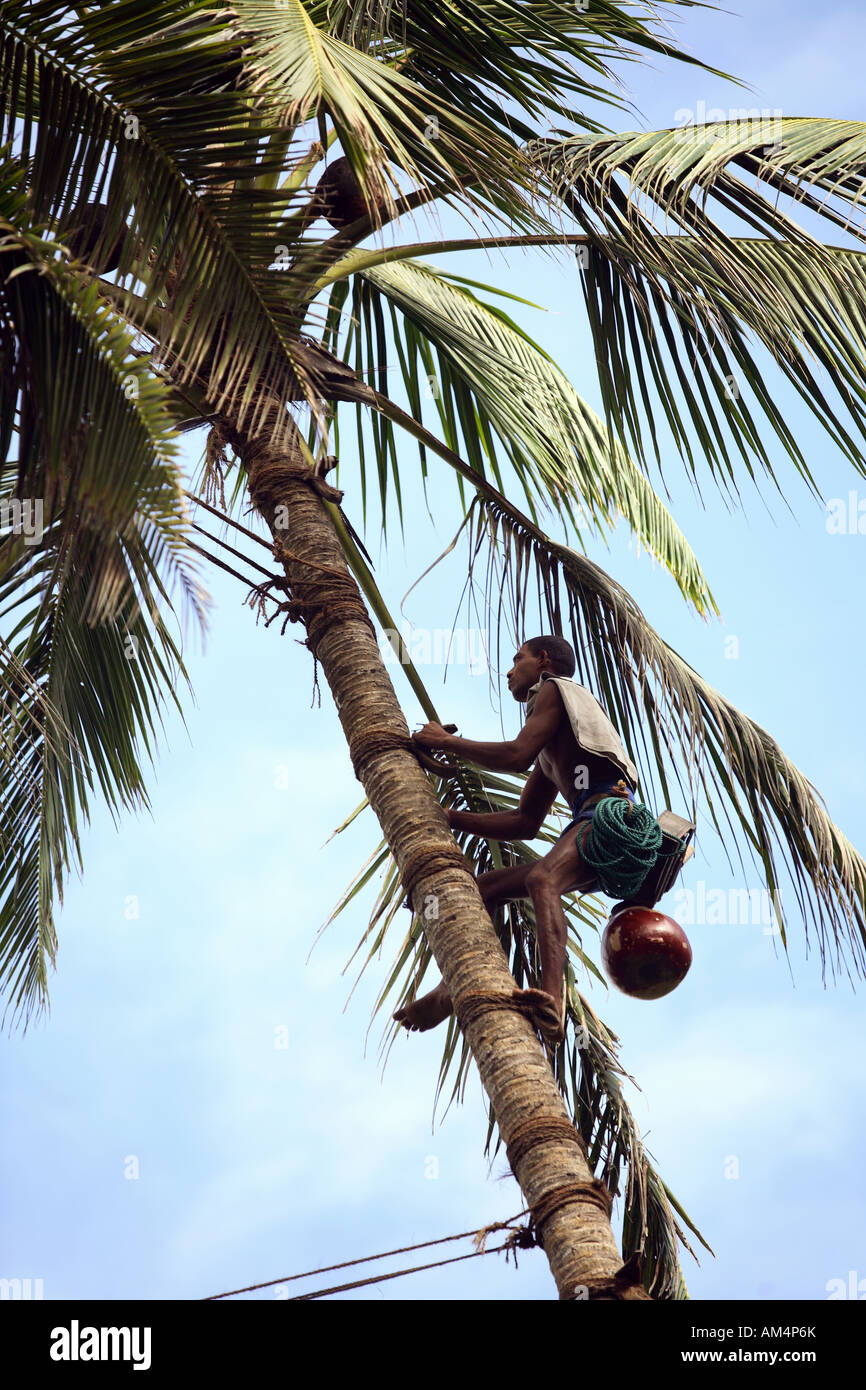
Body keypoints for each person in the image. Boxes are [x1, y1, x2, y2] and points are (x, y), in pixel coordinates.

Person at [393, 635, 641, 1045]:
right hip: (596, 829)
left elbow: (515, 755)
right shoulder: (554, 747)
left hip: (610, 817)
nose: (509, 670)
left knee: (543, 880)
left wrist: (446, 742)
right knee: (485, 888)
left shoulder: (554, 691)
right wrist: (449, 817)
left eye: (517, 659)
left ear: (543, 661)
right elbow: (525, 821)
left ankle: (551, 1002)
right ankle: (448, 987)